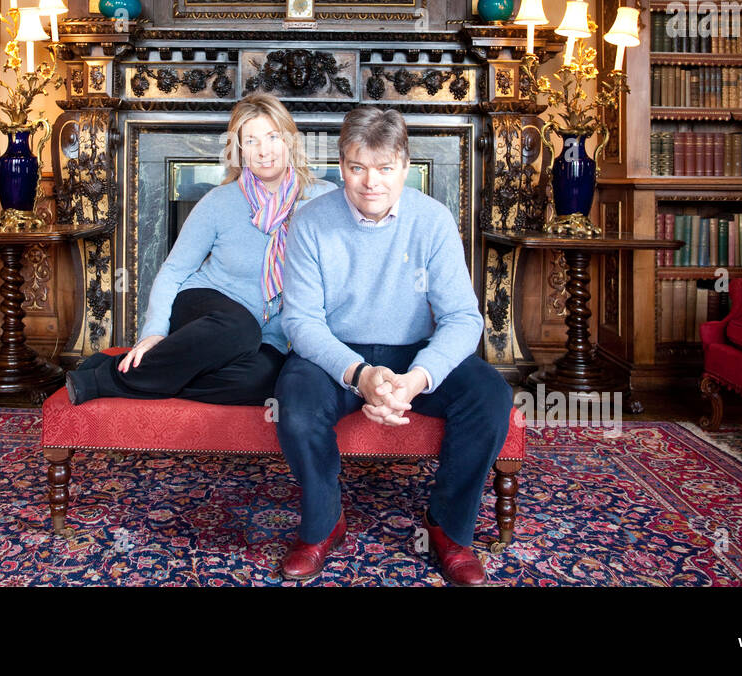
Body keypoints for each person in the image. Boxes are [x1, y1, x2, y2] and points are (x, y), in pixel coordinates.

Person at [275, 106, 513, 585]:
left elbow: (462, 318)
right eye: (357, 167)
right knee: (294, 406)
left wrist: (417, 379)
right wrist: (360, 374)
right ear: (341, 165)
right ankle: (324, 524)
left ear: (405, 166)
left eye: (384, 168)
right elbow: (300, 321)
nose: (371, 183)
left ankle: (448, 529)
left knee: (491, 395)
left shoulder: (433, 220)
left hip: (413, 353)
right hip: (334, 356)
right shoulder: (309, 221)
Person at [65, 93, 335, 406]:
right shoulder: (219, 202)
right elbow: (174, 271)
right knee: (241, 329)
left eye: (273, 137)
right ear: (238, 150)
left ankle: (141, 368)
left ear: (290, 139)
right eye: (251, 141)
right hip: (207, 307)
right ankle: (103, 379)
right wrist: (154, 333)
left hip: (270, 332)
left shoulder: (323, 200)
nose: (264, 151)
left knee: (261, 379)